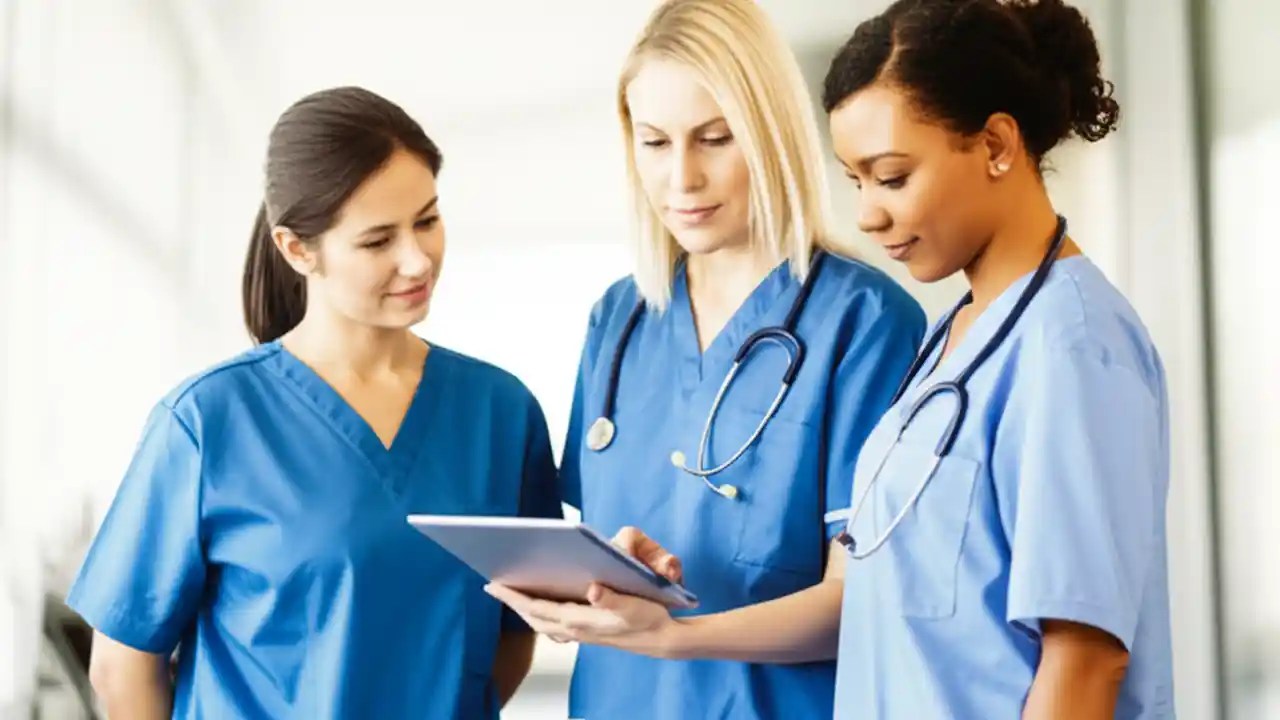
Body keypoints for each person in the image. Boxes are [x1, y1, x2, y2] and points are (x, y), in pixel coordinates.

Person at [485, 1, 925, 717]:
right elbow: (621, 540)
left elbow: (865, 603)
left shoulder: (864, 323)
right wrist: (597, 579)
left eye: (714, 138)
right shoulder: (619, 320)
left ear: (770, 134)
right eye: (655, 142)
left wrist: (675, 635)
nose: (681, 178)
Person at [64, 86, 560, 719]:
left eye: (427, 221)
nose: (416, 260)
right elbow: (121, 667)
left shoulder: (500, 412)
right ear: (298, 249)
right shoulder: (209, 421)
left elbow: (514, 632)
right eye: (378, 240)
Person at [820, 1, 1175, 717]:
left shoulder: (1073, 346)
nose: (866, 213)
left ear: (995, 145)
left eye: (890, 177)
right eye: (854, 180)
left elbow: (1084, 661)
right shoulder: (955, 336)